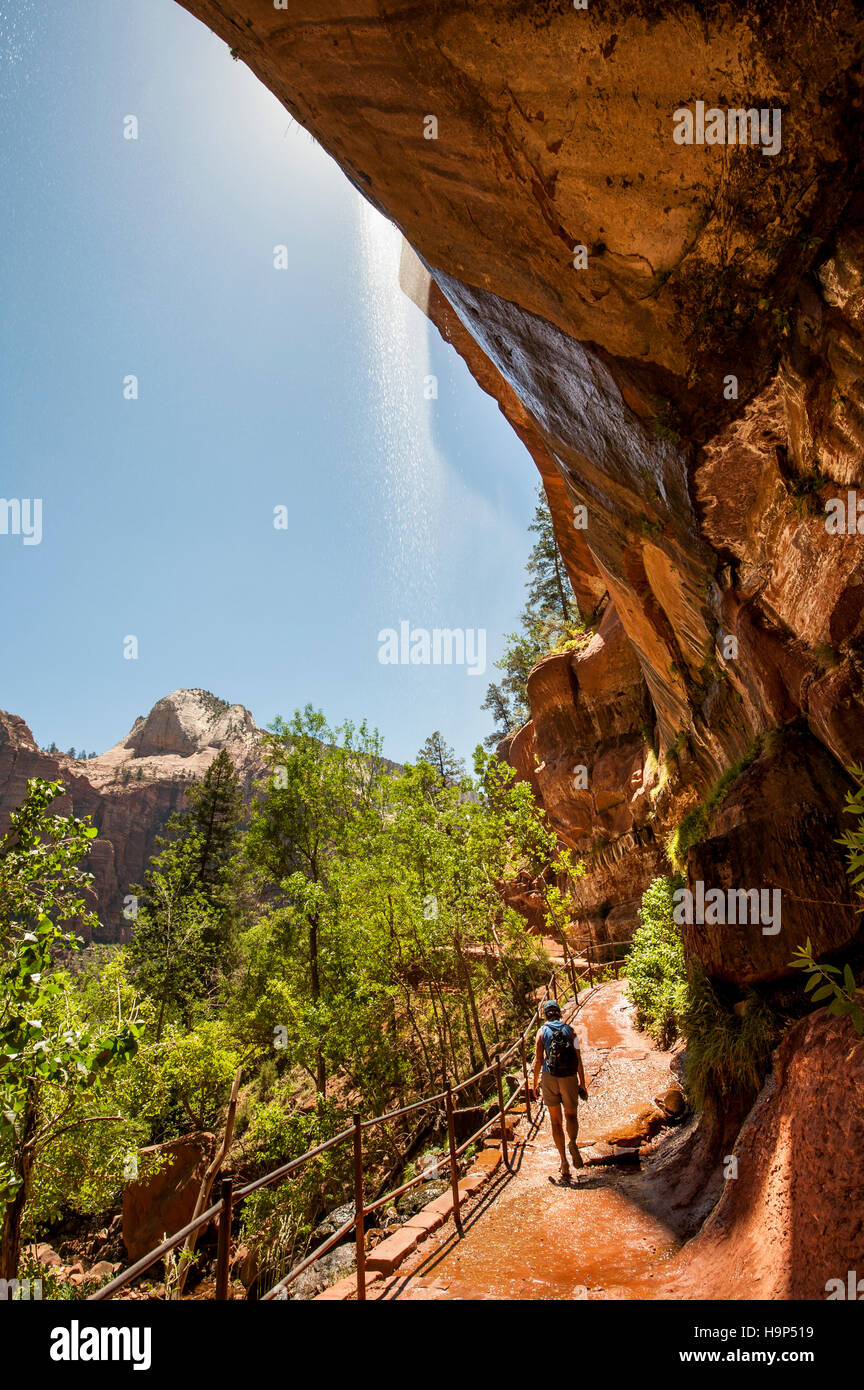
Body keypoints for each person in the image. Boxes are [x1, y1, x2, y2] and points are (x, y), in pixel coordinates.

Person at [532, 999, 588, 1182]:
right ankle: (572, 1142)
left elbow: (538, 1060)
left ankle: (564, 1162)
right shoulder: (571, 1031)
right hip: (569, 1078)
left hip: (549, 1078)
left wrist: (535, 1083)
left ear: (545, 1015)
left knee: (556, 1122)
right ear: (559, 1013)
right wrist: (582, 1083)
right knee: (571, 1115)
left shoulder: (541, 1031)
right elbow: (578, 1057)